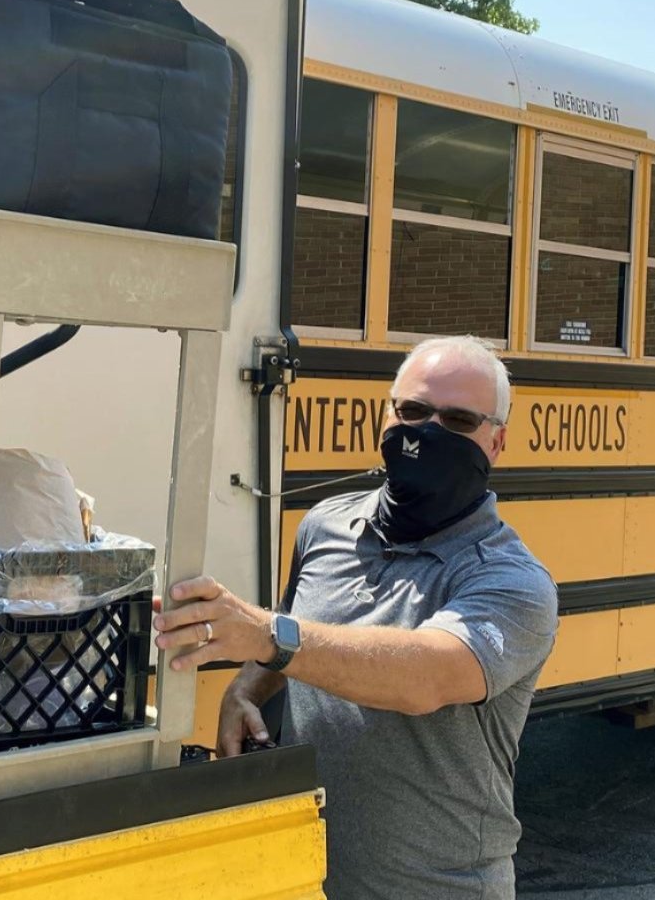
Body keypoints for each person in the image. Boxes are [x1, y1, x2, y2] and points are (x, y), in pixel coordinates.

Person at [153, 336, 558, 899]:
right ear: (384, 416)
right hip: (302, 879)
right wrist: (246, 687)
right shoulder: (326, 526)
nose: (428, 432)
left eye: (458, 419)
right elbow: (302, 622)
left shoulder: (512, 582)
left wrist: (265, 636)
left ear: (497, 441)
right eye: (413, 411)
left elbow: (425, 677)